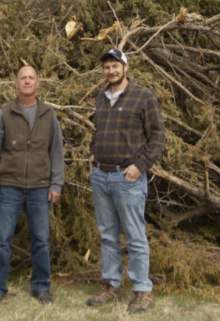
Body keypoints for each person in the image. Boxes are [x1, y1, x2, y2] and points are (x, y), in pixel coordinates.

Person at [86, 48, 166, 314]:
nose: (110, 70)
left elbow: (157, 137)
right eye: (106, 66)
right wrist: (91, 155)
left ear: (125, 67)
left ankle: (142, 290)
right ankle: (110, 284)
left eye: (115, 66)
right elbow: (98, 131)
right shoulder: (101, 97)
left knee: (134, 236)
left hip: (127, 178)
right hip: (101, 176)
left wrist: (140, 166)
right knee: (108, 235)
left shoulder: (143, 96)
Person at [0, 65, 65, 305]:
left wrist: (56, 184)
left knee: (41, 240)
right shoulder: (5, 114)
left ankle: (41, 286)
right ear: (16, 84)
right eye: (23, 78)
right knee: (2, 240)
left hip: (40, 188)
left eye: (32, 78)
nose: (27, 82)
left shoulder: (48, 114)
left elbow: (57, 153)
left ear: (38, 83)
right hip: (8, 187)